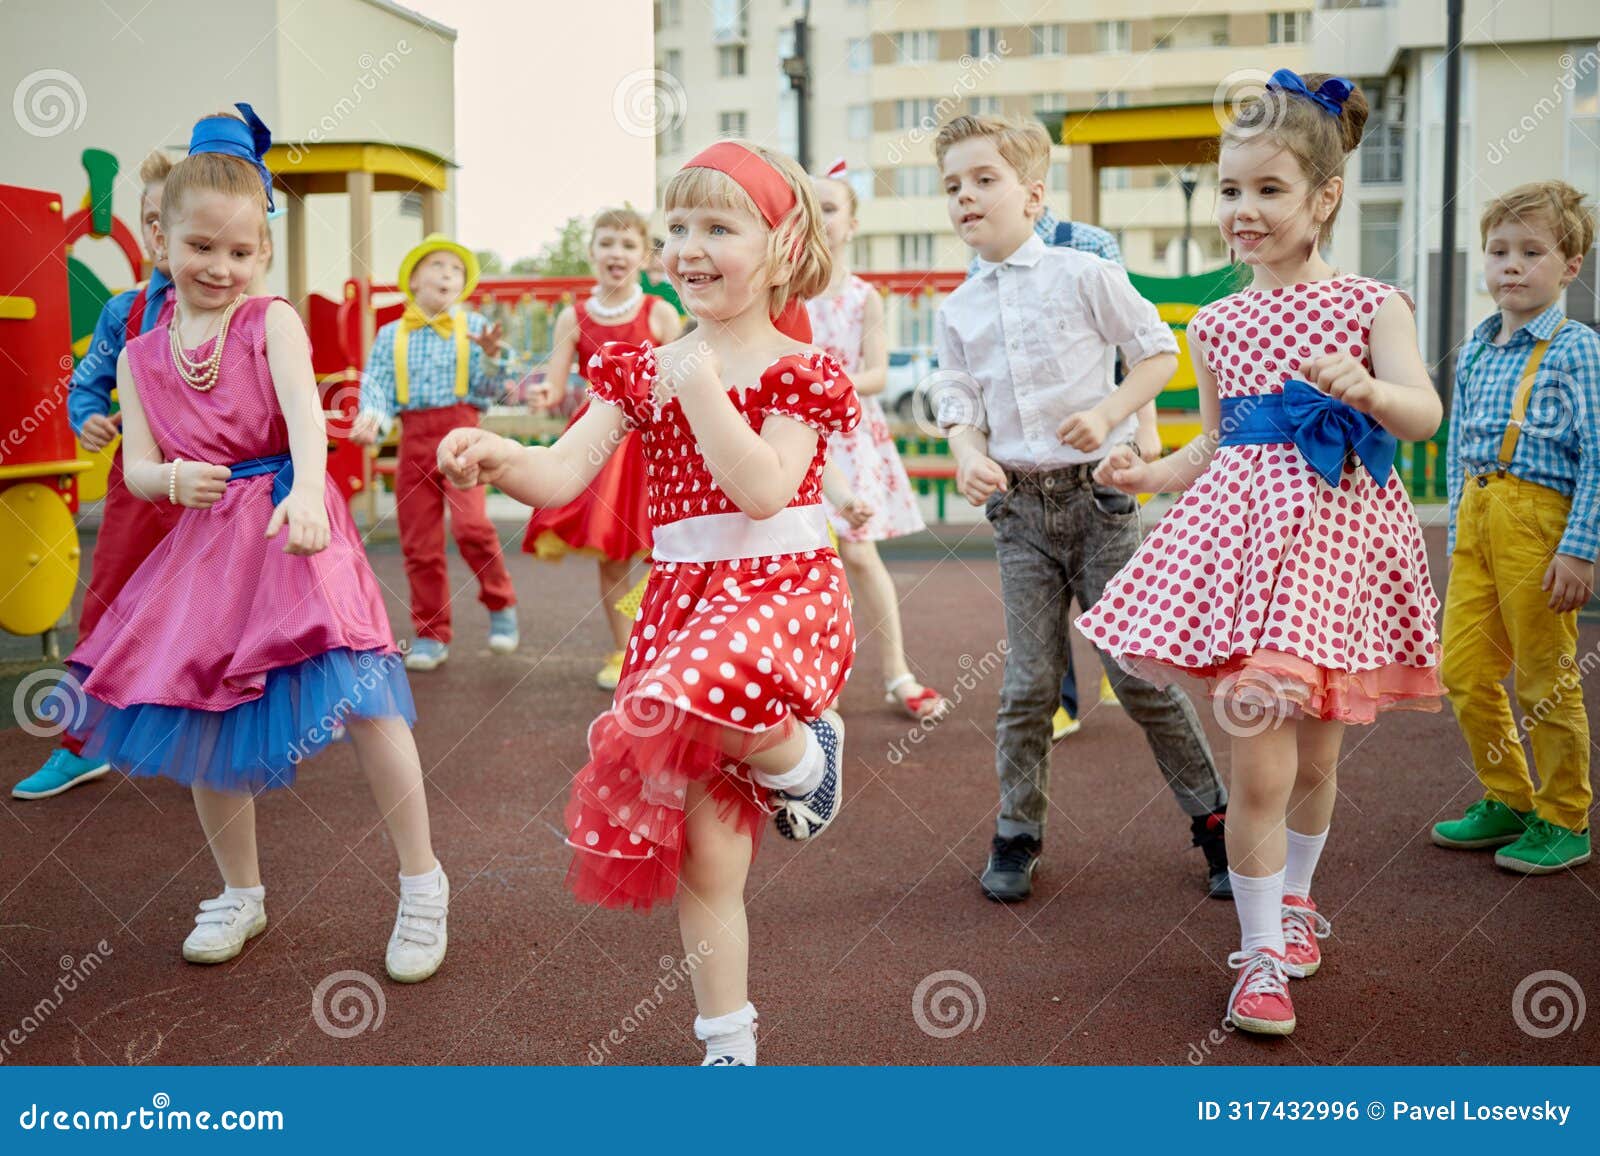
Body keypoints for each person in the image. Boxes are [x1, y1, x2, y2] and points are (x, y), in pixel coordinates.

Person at [438, 140, 856, 1064]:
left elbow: (762, 490)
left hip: (781, 593)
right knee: (706, 855)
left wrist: (697, 377)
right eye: (678, 227)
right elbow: (559, 476)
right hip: (681, 599)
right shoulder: (638, 368)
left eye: (719, 226)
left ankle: (802, 760)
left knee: (678, 694)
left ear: (783, 247)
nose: (688, 247)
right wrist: (497, 454)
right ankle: (728, 1048)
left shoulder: (800, 372)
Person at [1079, 72, 1443, 1035]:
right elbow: (1214, 445)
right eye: (1231, 190)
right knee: (1260, 769)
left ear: (1324, 197)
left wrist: (1366, 386)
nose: (1243, 210)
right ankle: (1258, 957)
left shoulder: (1374, 302)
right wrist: (1144, 473)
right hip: (1245, 561)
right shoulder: (1221, 320)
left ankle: (1297, 897)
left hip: (1339, 553)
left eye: (1269, 190)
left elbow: (1422, 411)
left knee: (1319, 759)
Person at [66, 106, 450, 983]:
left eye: (241, 253)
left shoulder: (267, 321)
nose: (220, 267)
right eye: (202, 248)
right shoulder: (141, 356)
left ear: (264, 254)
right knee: (205, 711)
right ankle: (241, 890)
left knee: (365, 694)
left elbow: (308, 418)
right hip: (207, 545)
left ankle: (422, 883)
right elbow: (137, 470)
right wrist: (170, 482)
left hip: (291, 524)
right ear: (163, 239)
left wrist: (311, 492)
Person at [935, 113, 1232, 905]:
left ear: (1033, 197)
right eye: (953, 186)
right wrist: (968, 452)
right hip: (1020, 515)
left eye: (984, 180)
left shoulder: (1081, 273)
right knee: (1028, 686)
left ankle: (1216, 825)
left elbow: (1156, 351)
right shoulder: (958, 307)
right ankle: (1017, 832)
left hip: (1099, 506)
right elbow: (957, 395)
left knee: (1139, 678)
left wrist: (1107, 415)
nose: (966, 196)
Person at [1431, 180, 1600, 874]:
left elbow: (1597, 454)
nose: (1511, 265)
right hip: (1479, 518)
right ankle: (1510, 798)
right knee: (1464, 670)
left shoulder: (1577, 348)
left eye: (1532, 252)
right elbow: (1456, 454)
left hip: (1542, 523)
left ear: (1570, 266)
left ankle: (1565, 817)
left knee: (1544, 679)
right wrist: (1456, 540)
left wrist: (1581, 551)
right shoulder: (1474, 351)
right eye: (1499, 250)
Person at [13, 149, 184, 801]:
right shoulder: (127, 310)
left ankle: (241, 743)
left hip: (221, 485)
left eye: (174, 218)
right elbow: (86, 385)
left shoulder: (240, 311)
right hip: (140, 481)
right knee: (109, 606)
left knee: (240, 611)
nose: (161, 235)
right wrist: (88, 417)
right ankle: (81, 744)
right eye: (150, 221)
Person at [810, 159, 950, 721]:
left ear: (852, 223)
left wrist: (819, 383)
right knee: (803, 558)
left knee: (859, 552)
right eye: (807, 209)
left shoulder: (863, 297)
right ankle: (816, 685)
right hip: (789, 434)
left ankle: (897, 673)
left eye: (829, 208)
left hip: (845, 433)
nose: (818, 220)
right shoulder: (780, 290)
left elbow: (874, 373)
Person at [523, 208, 681, 689]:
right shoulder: (574, 316)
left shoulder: (660, 313)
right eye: (607, 243)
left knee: (670, 551)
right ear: (591, 252)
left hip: (656, 446)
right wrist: (544, 396)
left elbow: (681, 381)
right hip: (601, 446)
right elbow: (554, 385)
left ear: (644, 256)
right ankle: (624, 651)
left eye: (628, 245)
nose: (617, 253)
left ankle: (666, 646)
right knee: (614, 555)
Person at [352, 234, 520, 671]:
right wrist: (373, 418)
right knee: (419, 544)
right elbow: (377, 389)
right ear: (413, 279)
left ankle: (500, 603)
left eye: (457, 269)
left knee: (472, 527)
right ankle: (430, 632)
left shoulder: (476, 327)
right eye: (438, 266)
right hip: (415, 441)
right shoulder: (390, 335)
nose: (448, 274)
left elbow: (493, 390)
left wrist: (493, 360)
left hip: (463, 435)